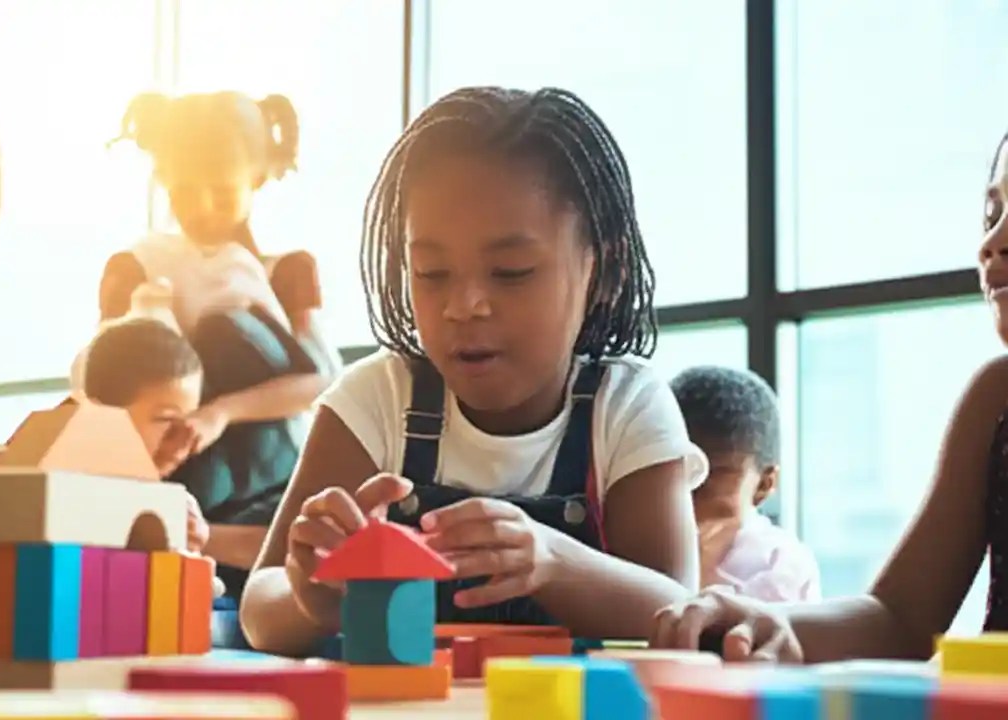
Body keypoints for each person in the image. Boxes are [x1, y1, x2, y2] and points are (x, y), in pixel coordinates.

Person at [241, 86, 708, 656]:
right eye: (432, 273)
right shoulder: (377, 399)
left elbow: (679, 612)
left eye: (511, 272)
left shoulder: (626, 407)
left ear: (601, 268)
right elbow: (259, 609)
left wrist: (553, 561)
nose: (465, 305)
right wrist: (310, 594)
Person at [651, 129, 1008, 663]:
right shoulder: (995, 399)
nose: (992, 242)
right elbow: (899, 618)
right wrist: (761, 620)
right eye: (991, 214)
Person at [103, 91, 339, 600]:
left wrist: (221, 413)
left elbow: (321, 378)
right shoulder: (140, 264)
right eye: (184, 192)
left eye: (221, 190)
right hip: (171, 466)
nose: (202, 208)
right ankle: (179, 532)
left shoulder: (285, 270)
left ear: (256, 178)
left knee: (222, 330)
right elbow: (102, 379)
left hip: (262, 477)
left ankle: (196, 539)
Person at [671, 366, 820, 602]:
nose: (689, 484)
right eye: (676, 468)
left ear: (764, 484)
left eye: (712, 472)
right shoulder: (629, 545)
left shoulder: (779, 563)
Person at [79, 315, 210, 552]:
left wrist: (190, 548)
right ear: (101, 414)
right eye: (165, 419)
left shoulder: (177, 503)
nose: (182, 436)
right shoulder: (69, 490)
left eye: (189, 420)